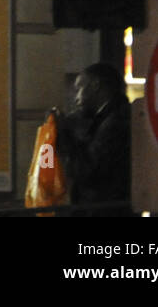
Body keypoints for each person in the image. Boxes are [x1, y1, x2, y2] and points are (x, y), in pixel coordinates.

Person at [56, 62, 131, 216]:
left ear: (96, 85)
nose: (76, 98)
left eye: (79, 89)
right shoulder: (108, 118)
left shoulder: (115, 122)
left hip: (104, 211)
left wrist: (65, 137)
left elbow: (88, 170)